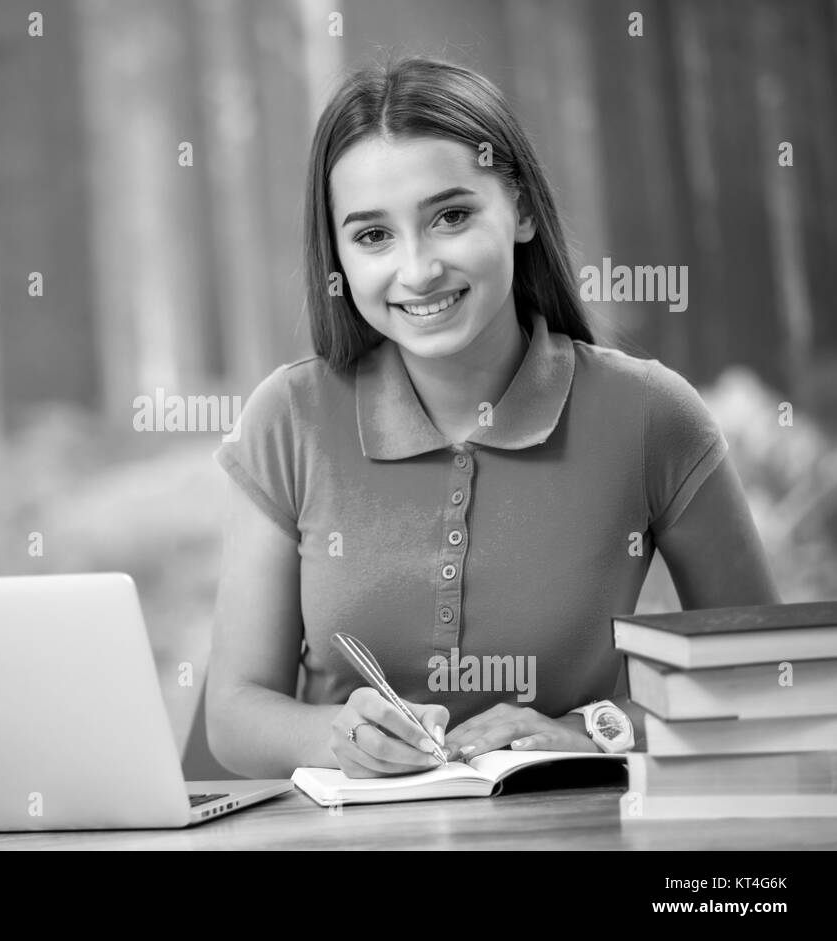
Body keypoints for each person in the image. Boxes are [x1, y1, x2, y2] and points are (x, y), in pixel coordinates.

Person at [206, 56, 780, 780]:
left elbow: (765, 677)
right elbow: (232, 712)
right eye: (373, 236)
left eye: (451, 216)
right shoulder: (287, 419)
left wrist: (596, 727)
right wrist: (335, 736)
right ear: (339, 257)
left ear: (522, 211)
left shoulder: (650, 415)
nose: (417, 271)